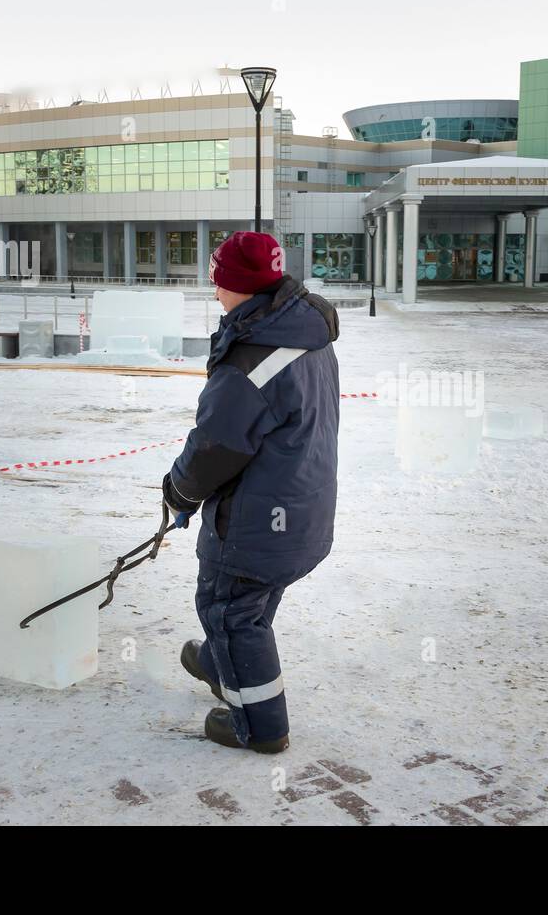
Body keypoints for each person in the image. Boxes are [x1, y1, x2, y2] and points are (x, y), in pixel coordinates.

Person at [162, 232, 339, 753]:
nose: (213, 289)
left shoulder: (253, 359)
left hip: (256, 520)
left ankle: (260, 727)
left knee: (229, 609)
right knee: (252, 600)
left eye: (217, 279)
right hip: (300, 508)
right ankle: (222, 664)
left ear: (237, 284)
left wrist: (179, 490)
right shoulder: (303, 334)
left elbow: (215, 446)